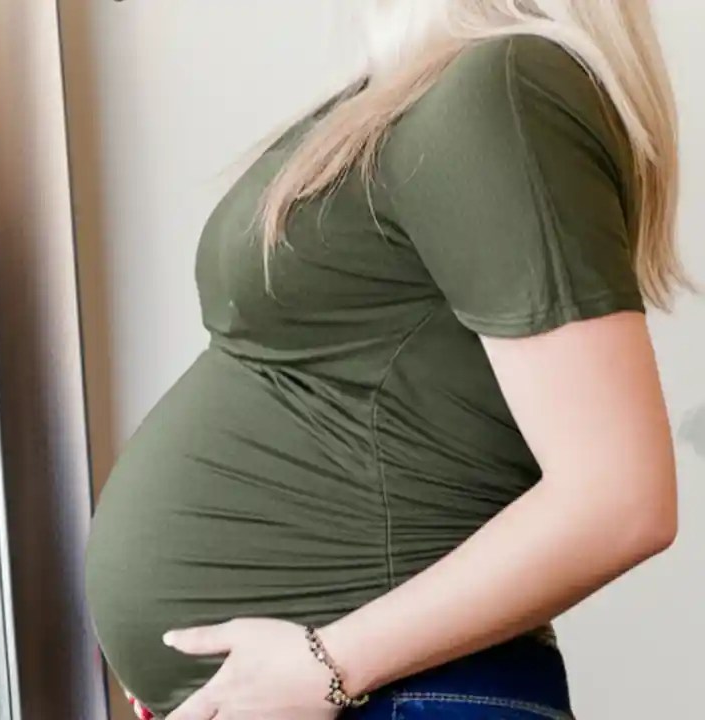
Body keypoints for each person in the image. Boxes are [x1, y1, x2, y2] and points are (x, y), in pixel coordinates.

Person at [85, 1, 684, 718]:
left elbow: (619, 500)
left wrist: (324, 666)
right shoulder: (406, 91)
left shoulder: (503, 83)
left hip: (399, 696)